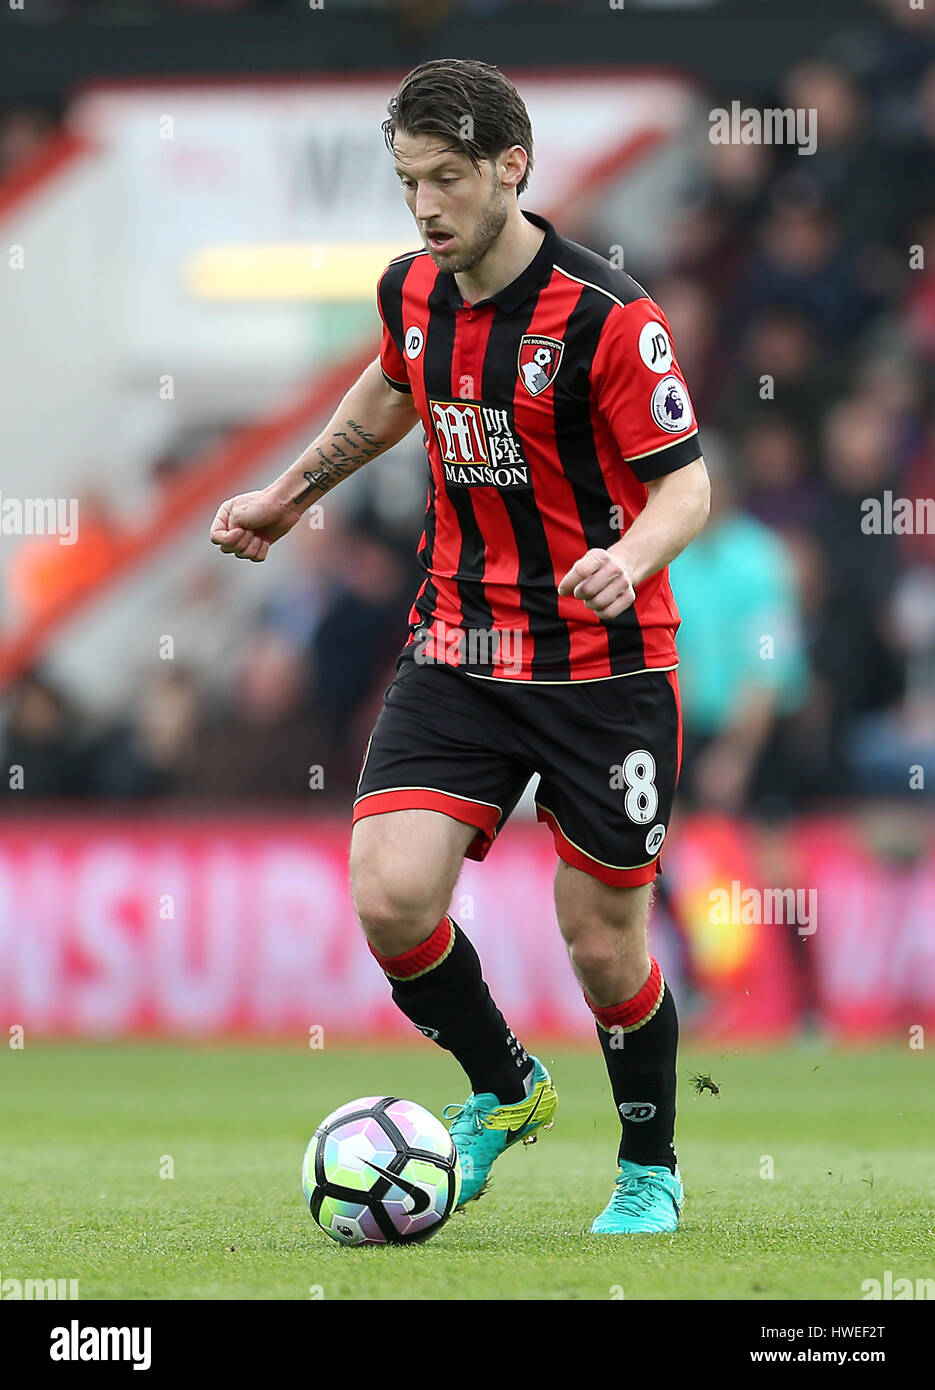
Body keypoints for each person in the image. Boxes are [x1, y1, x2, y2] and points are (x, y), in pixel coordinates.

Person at [210, 59, 710, 1235]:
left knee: (600, 947)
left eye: (444, 180)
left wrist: (625, 559)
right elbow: (392, 390)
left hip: (604, 667)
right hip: (459, 644)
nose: (425, 207)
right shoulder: (412, 291)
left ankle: (649, 1169)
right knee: (389, 897)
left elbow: (684, 491)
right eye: (406, 184)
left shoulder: (605, 317)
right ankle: (504, 1088)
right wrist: (287, 495)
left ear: (509, 168)